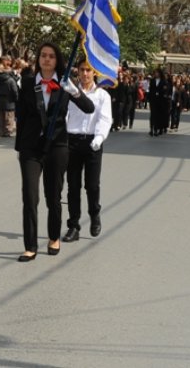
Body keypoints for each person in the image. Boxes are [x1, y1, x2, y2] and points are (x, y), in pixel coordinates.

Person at [15, 43, 93, 262]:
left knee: (53, 196)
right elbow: (22, 116)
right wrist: (19, 147)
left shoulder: (66, 83)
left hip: (57, 145)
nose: (46, 59)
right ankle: (30, 246)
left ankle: (53, 237)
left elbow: (88, 108)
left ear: (57, 60)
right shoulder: (28, 82)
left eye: (51, 56)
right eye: (43, 55)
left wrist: (73, 90)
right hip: (31, 147)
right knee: (30, 196)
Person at [63, 58, 112, 243]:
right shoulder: (70, 92)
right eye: (82, 69)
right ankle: (73, 225)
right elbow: (65, 115)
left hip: (92, 142)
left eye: (88, 70)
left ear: (94, 73)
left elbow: (105, 119)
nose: (85, 73)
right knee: (73, 185)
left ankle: (94, 214)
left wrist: (99, 137)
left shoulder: (102, 95)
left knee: (91, 185)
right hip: (73, 141)